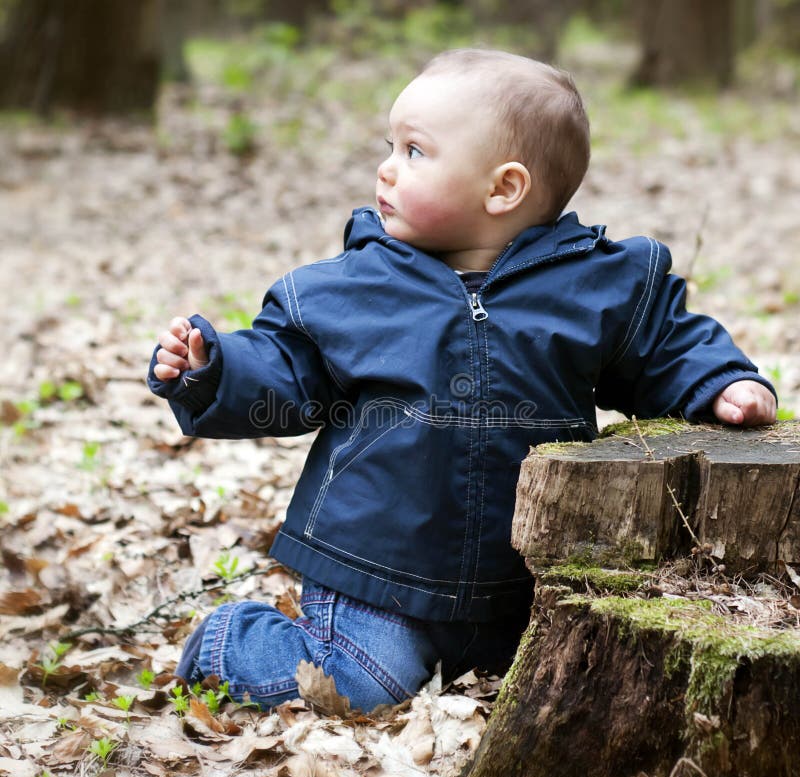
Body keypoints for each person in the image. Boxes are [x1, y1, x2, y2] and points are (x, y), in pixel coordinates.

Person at [148, 49, 777, 711]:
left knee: (564, 690)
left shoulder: (597, 286)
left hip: (525, 576)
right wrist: (212, 371)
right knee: (365, 686)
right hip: (379, 571)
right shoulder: (352, 290)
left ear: (504, 188)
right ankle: (227, 643)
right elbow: (285, 370)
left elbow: (662, 343)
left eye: (415, 151)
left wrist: (718, 378)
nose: (386, 168)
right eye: (390, 146)